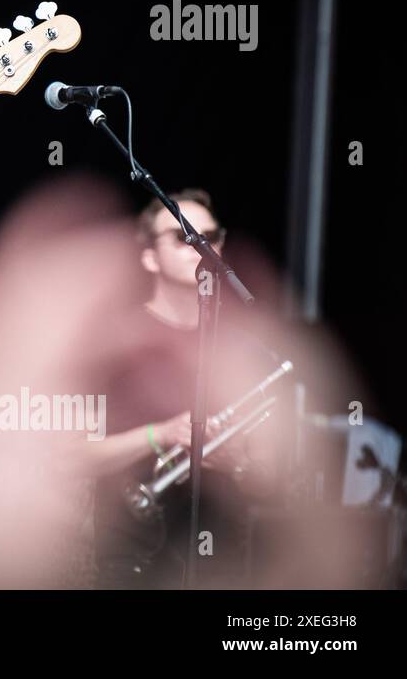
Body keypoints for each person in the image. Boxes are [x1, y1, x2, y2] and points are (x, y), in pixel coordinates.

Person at [87, 189, 281, 588]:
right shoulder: (111, 344)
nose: (201, 245)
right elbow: (67, 456)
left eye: (211, 235)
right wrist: (162, 435)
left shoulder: (243, 351)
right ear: (148, 256)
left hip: (220, 565)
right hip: (126, 562)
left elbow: (276, 477)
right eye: (183, 236)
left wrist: (238, 464)